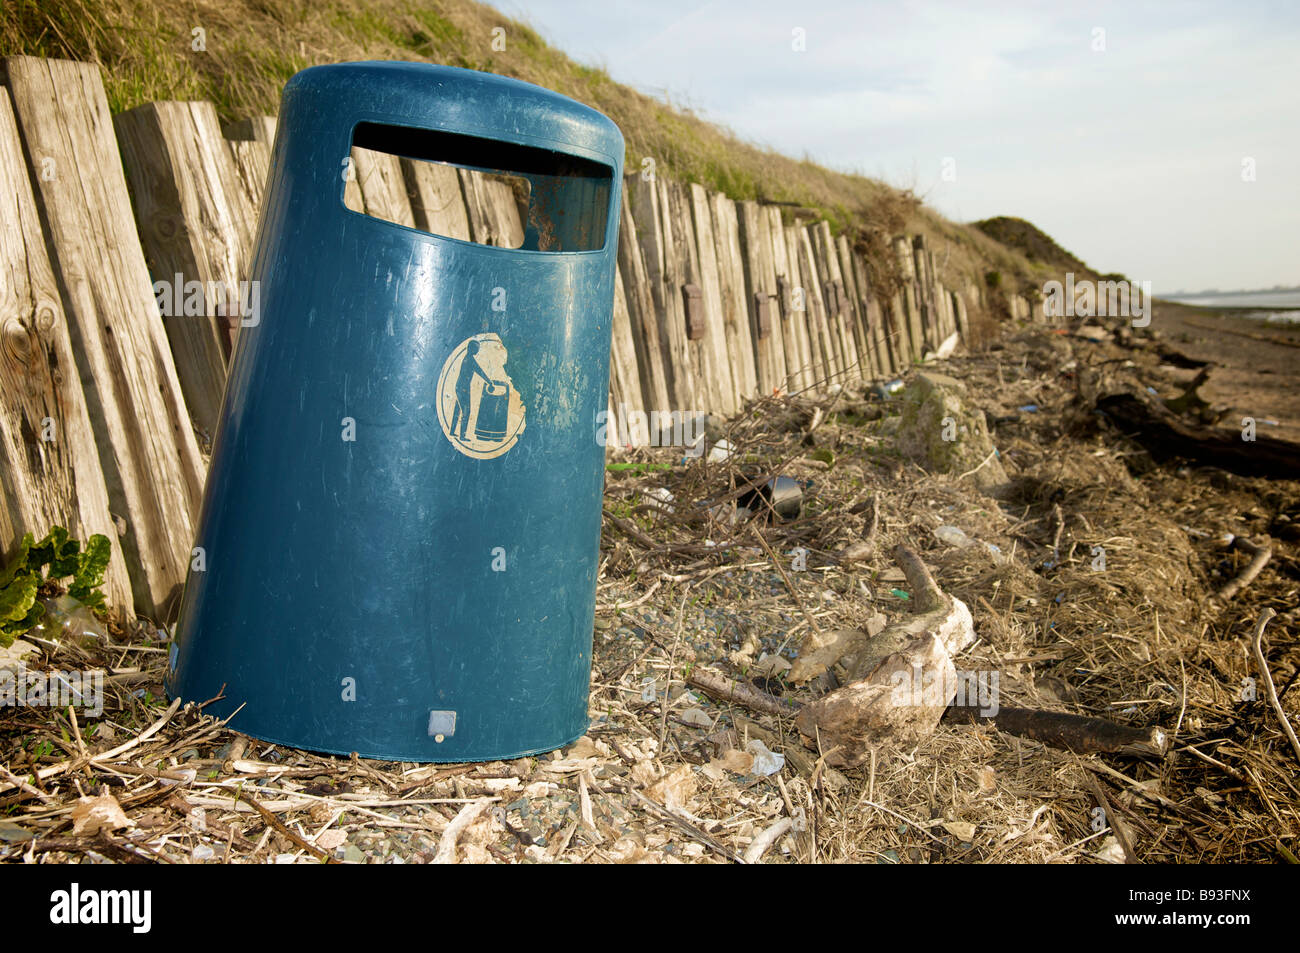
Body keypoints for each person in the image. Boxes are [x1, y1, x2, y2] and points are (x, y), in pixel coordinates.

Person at [451, 340, 505, 441]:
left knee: (458, 409)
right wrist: (489, 381)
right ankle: (462, 436)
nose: (478, 350)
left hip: (460, 387)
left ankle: (452, 431)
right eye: (476, 348)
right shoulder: (470, 360)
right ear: (471, 349)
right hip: (463, 389)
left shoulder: (467, 358)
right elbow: (479, 371)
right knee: (466, 412)